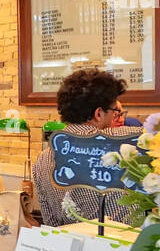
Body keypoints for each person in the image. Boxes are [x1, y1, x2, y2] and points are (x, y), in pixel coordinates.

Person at [32, 69, 141, 226]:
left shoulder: (43, 159)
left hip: (68, 246)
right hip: (117, 246)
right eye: (115, 112)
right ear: (98, 114)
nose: (116, 118)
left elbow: (50, 223)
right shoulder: (122, 142)